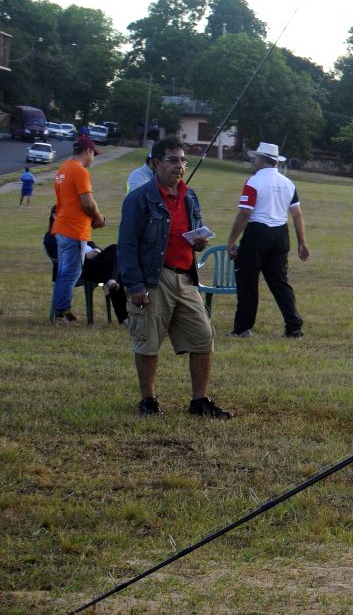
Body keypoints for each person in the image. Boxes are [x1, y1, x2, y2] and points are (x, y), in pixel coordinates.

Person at [118, 138, 232, 419]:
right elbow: (127, 246)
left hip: (186, 279)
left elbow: (194, 233)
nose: (179, 166)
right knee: (148, 341)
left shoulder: (190, 196)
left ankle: (199, 401)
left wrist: (199, 243)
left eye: (183, 161)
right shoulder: (139, 199)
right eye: (172, 160)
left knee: (204, 338)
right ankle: (148, 401)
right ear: (155, 163)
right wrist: (135, 285)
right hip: (154, 279)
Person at [225, 142, 310, 338]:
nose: (253, 161)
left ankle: (242, 328)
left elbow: (245, 213)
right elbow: (297, 215)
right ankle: (294, 326)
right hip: (280, 234)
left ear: (262, 161)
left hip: (257, 233)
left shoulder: (254, 182)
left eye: (255, 158)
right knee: (280, 282)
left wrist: (231, 239)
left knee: (248, 282)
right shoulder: (288, 183)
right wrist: (302, 242)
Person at [49, 135, 106, 324]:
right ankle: (62, 312)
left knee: (63, 272)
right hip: (74, 229)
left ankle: (59, 311)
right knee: (71, 273)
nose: (93, 158)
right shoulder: (79, 171)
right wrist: (98, 217)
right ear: (88, 151)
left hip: (61, 227)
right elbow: (87, 203)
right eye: (93, 154)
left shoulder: (62, 169)